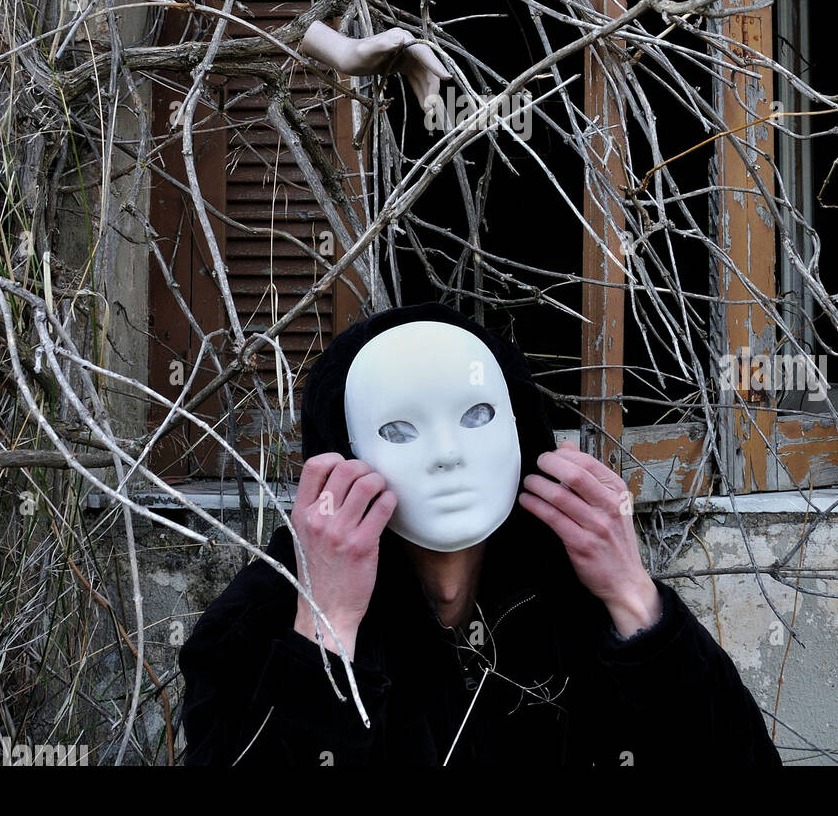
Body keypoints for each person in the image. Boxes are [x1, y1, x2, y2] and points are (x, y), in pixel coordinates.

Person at [178, 301, 782, 766]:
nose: (447, 453)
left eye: (476, 416)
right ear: (344, 453)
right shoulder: (259, 623)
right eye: (399, 429)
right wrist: (326, 628)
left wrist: (634, 600)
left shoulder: (580, 607)